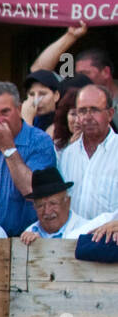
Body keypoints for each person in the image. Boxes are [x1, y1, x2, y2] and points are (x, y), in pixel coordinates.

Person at [0, 82, 57, 237]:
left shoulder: (40, 142)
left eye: (5, 112)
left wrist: (8, 148)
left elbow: (33, 191)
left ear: (19, 109)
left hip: (26, 241)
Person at [56, 85, 118, 222]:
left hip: (110, 240)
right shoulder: (67, 155)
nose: (88, 117)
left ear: (110, 114)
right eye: (82, 111)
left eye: (95, 110)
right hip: (72, 241)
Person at [18, 166, 118, 246]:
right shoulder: (29, 232)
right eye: (40, 206)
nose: (47, 211)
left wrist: (44, 246)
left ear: (68, 202)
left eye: (53, 203)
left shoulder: (88, 229)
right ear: (34, 207)